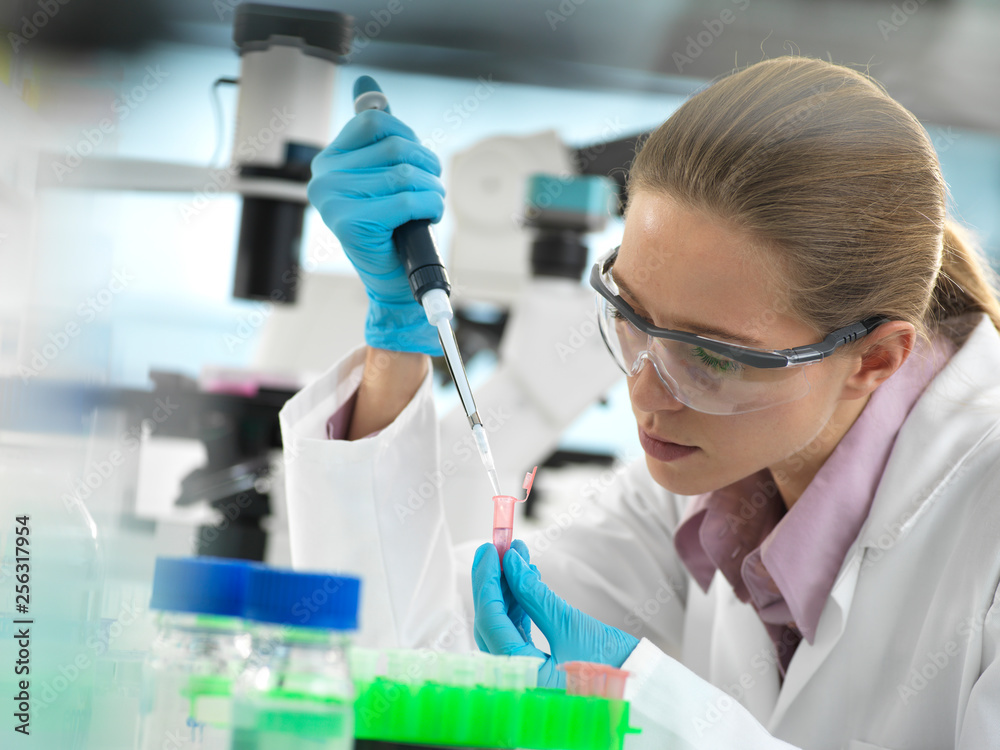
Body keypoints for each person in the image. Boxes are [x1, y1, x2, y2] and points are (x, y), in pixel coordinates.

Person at [280, 56, 1000, 749]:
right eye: (630, 314)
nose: (645, 393)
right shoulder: (696, 499)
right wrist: (396, 339)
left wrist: (646, 706)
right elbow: (404, 666)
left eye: (713, 355)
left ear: (873, 360)